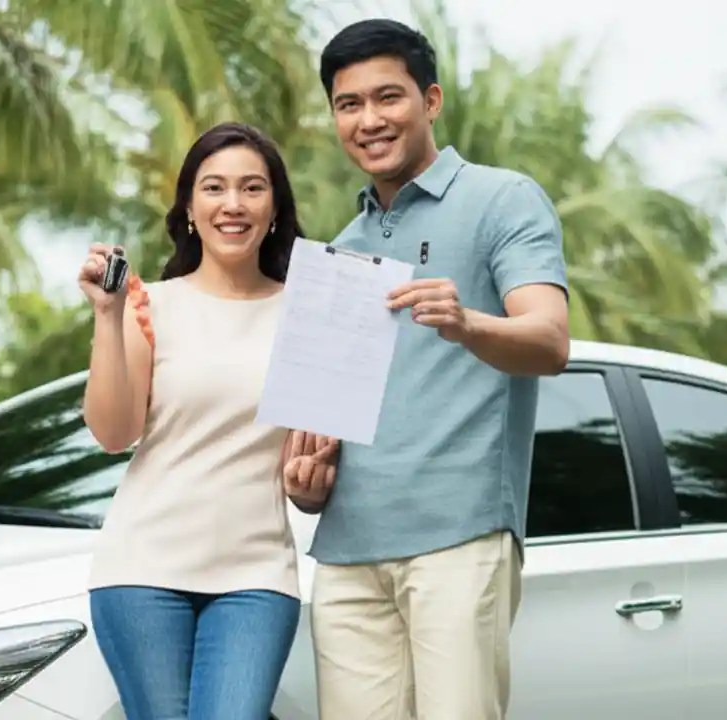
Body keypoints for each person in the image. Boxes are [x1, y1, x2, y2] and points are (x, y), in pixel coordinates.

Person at [283, 18, 571, 720]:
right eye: (349, 104)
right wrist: (306, 486)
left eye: (389, 97)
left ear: (431, 100)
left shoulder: (503, 198)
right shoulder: (337, 251)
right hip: (347, 551)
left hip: (460, 535)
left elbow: (550, 341)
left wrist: (467, 321)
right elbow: (316, 433)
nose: (369, 120)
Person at [79, 122, 329, 720]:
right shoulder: (150, 304)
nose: (234, 205)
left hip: (257, 574)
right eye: (214, 188)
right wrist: (108, 317)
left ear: (275, 208)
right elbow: (114, 433)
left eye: (252, 188)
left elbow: (314, 469)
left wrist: (307, 488)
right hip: (142, 569)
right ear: (189, 208)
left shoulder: (313, 313)